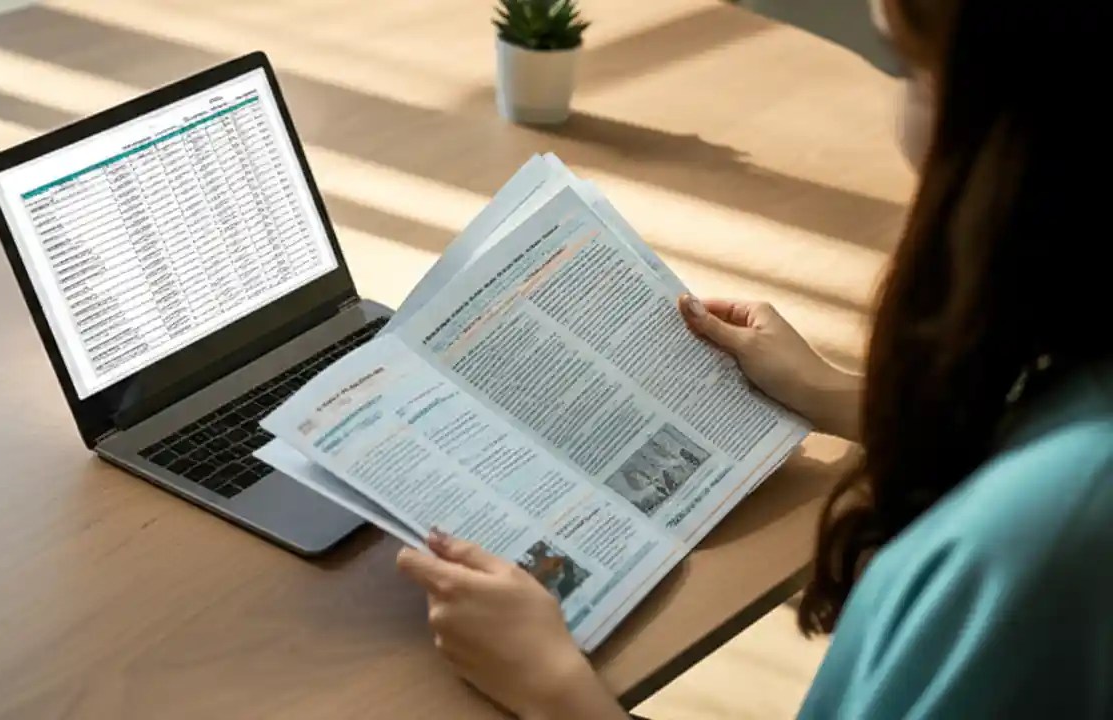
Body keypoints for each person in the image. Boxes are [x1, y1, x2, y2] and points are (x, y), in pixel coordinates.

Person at [395, 0, 1112, 717]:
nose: (898, 125)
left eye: (907, 68)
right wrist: (836, 395)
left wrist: (553, 689)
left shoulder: (1037, 550)